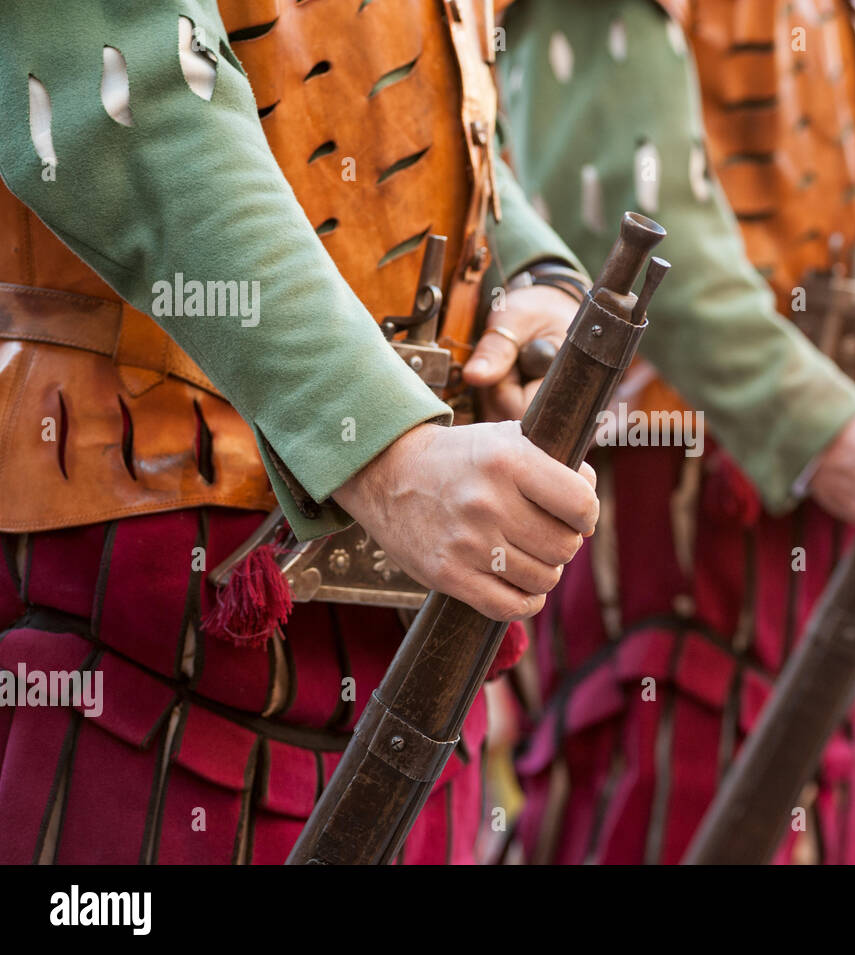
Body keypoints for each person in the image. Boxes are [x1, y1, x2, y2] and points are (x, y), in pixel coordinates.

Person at [0, 0, 598, 864]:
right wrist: (386, 452)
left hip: (416, 594)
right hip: (153, 558)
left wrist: (530, 273)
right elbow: (123, 91)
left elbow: (433, 104)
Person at [495, 0, 855, 864]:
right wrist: (822, 426)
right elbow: (627, 228)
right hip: (673, 498)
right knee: (660, 799)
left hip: (786, 511)